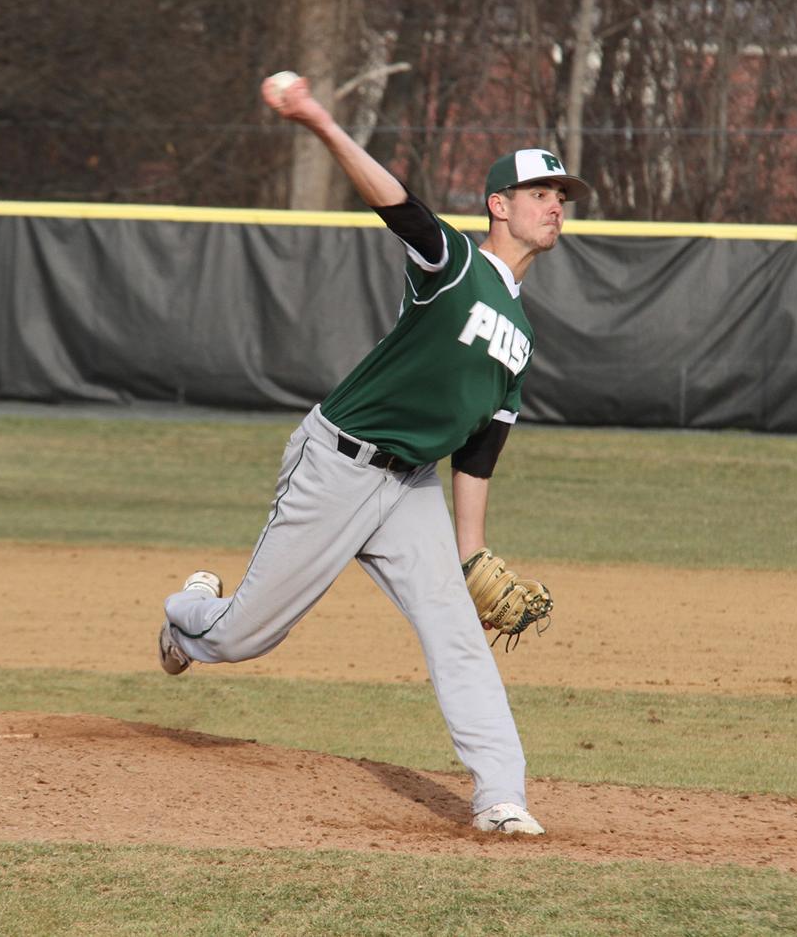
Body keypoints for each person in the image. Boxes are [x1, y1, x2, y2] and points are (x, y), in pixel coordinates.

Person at [156, 71, 590, 836]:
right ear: (499, 205)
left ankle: (500, 795)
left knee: (457, 631)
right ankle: (186, 612)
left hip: (411, 487)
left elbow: (481, 451)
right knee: (244, 635)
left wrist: (471, 552)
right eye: (540, 192)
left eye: (561, 194)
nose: (556, 204)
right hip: (337, 463)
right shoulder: (454, 267)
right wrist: (319, 120)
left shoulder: (520, 336)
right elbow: (398, 204)